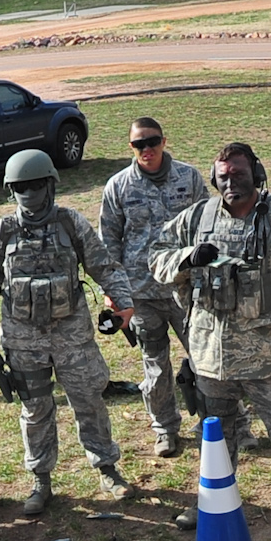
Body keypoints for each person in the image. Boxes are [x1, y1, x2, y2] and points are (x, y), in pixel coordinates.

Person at [145, 141, 271, 541]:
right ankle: (212, 503)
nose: (231, 183)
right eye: (224, 177)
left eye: (239, 175)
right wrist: (188, 257)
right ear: (214, 179)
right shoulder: (197, 219)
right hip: (210, 359)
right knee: (215, 436)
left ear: (257, 175)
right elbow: (155, 256)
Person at [0, 150, 134, 516]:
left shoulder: (70, 224)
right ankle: (41, 480)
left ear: (49, 185)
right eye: (20, 188)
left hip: (72, 335)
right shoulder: (4, 230)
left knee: (89, 400)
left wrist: (123, 304)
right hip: (23, 338)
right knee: (35, 410)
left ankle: (107, 469)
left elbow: (104, 266)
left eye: (34, 186)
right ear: (11, 191)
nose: (28, 195)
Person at [100, 118, 209, 457]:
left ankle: (221, 421)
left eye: (152, 142)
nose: (146, 150)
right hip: (141, 293)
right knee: (155, 365)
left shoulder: (188, 178)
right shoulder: (118, 186)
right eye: (138, 145)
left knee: (206, 357)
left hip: (186, 288)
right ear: (130, 147)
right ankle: (164, 428)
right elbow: (109, 242)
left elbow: (206, 225)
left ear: (164, 141)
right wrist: (114, 290)